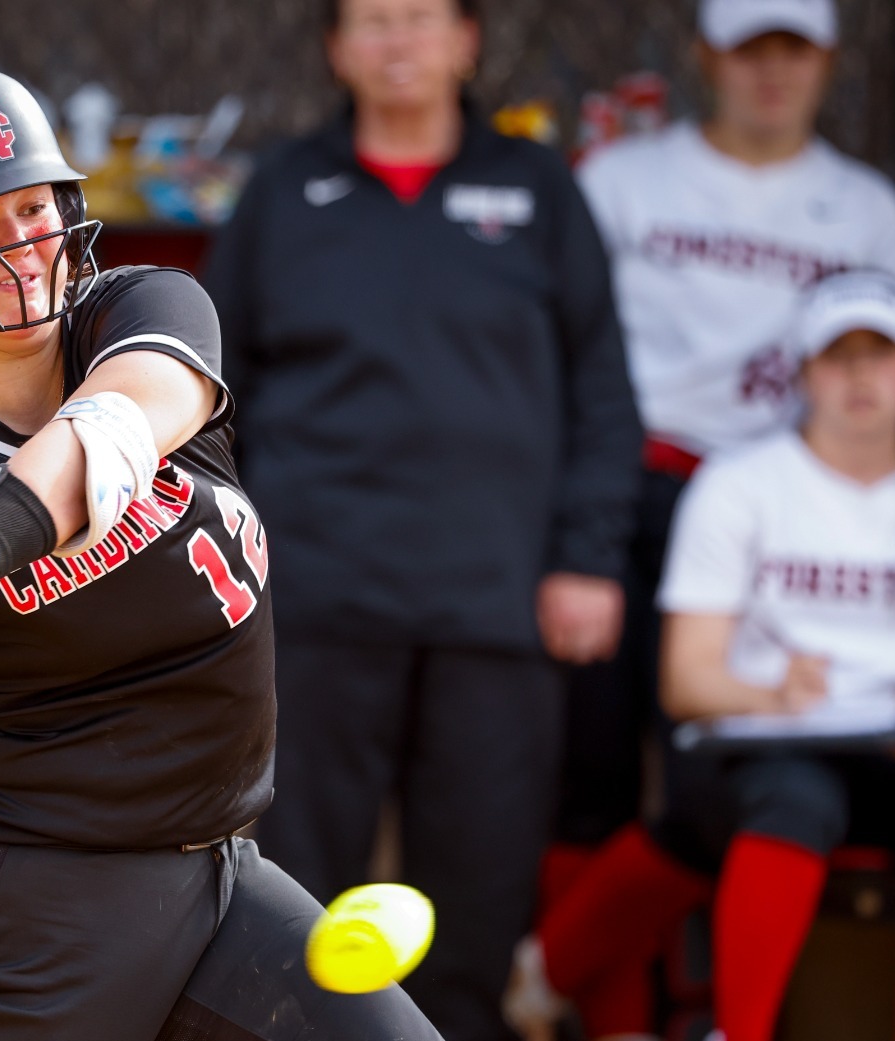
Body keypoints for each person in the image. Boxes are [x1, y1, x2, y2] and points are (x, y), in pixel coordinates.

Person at [0, 68, 444, 1041]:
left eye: (31, 209)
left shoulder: (140, 315)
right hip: (22, 912)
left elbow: (109, 432)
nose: (19, 251)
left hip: (219, 879)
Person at [202, 0, 642, 1037]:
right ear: (335, 48)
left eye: (418, 16)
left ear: (465, 40)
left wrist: (586, 559)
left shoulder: (538, 191)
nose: (396, 39)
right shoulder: (280, 193)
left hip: (494, 602)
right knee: (292, 889)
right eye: (371, 19)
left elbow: (602, 391)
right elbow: (212, 396)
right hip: (312, 600)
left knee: (477, 888)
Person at [506, 2, 895, 1037]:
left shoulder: (866, 209)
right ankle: (602, 1013)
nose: (770, 75)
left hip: (784, 495)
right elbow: (566, 346)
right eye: (747, 50)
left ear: (825, 62)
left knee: (716, 780)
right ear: (705, 57)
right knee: (591, 771)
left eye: (793, 52)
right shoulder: (624, 180)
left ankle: (643, 994)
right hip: (627, 484)